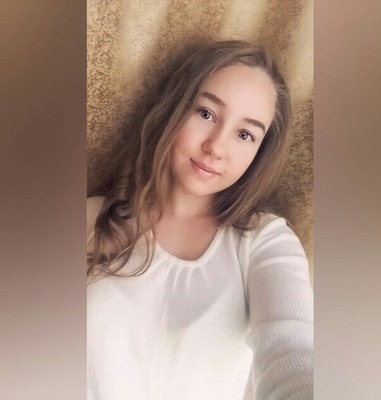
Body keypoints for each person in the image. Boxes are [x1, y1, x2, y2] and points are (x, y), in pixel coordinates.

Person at [87, 40, 313, 400]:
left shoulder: (264, 242)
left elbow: (292, 346)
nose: (216, 147)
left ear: (259, 153)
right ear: (174, 109)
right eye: (206, 113)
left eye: (244, 134)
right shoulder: (91, 219)